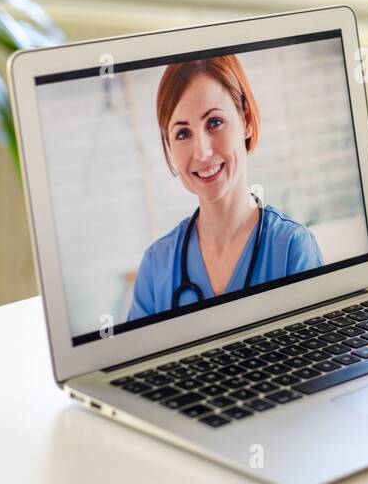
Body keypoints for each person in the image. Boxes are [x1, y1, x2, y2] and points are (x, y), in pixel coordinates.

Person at [127, 55, 322, 321]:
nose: (203, 153)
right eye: (183, 133)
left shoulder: (291, 249)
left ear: (247, 120)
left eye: (215, 122)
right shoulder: (156, 267)